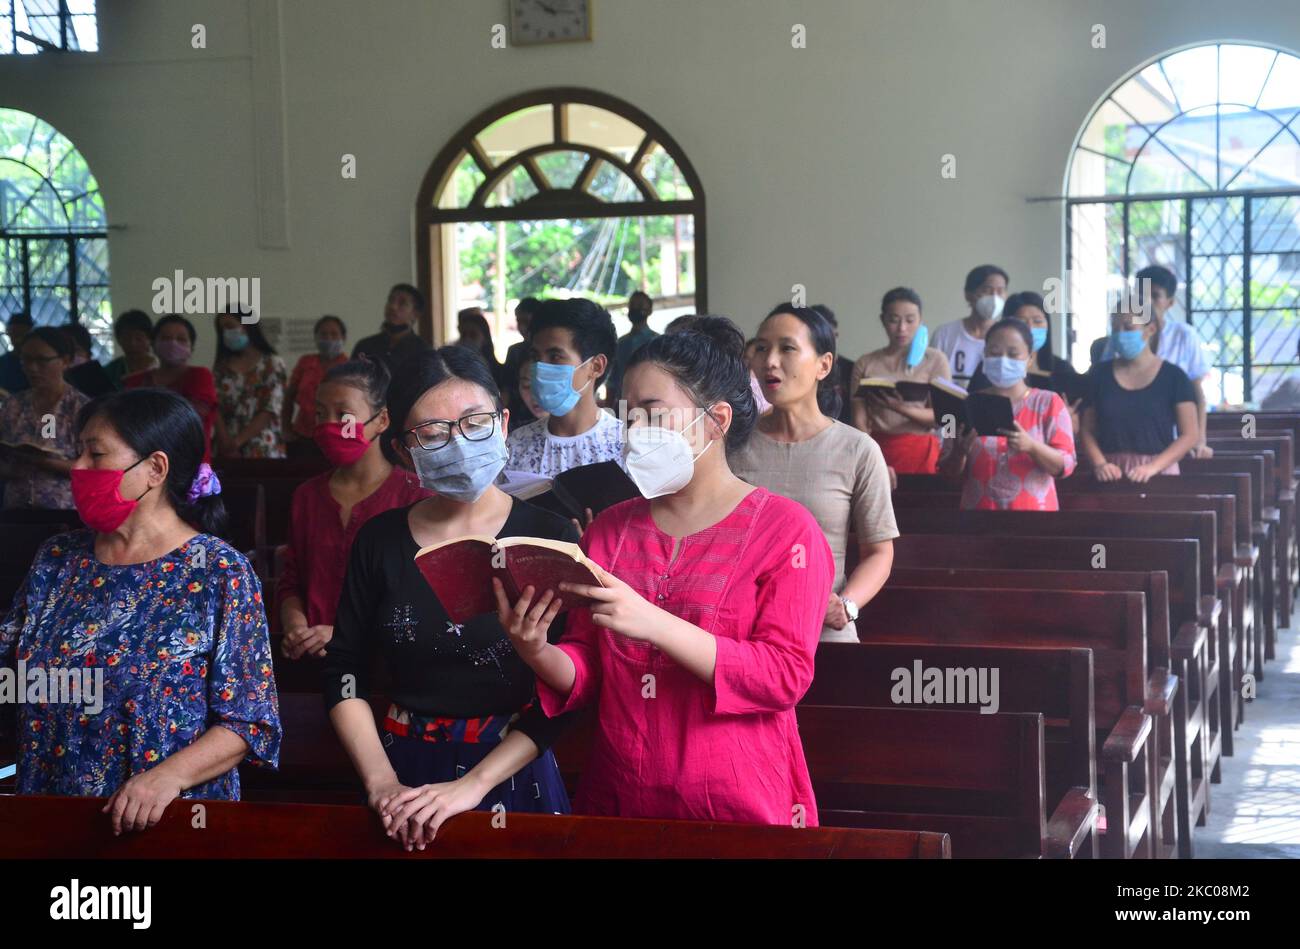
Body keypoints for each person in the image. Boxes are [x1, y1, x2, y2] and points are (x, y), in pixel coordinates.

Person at [502, 316, 834, 824]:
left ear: (716, 419)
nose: (635, 432)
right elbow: (588, 671)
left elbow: (783, 676)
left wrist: (654, 622)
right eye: (629, 416)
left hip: (738, 804)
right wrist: (537, 650)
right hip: (622, 797)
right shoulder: (608, 532)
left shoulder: (787, 531)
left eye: (653, 415)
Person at [324, 346, 577, 850]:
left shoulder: (547, 535)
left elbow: (567, 691)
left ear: (503, 424)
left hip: (510, 772)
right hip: (402, 775)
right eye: (434, 433)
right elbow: (344, 669)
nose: (459, 443)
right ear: (404, 450)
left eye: (475, 422)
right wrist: (382, 784)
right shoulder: (380, 540)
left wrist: (471, 787)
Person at [0, 388, 280, 823]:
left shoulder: (219, 571)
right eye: (78, 453)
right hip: (51, 810)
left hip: (164, 820)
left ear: (155, 468)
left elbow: (249, 721)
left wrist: (165, 779)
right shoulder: (56, 559)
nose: (77, 468)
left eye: (95, 454)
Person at [733, 305, 896, 643]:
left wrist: (847, 606)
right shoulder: (731, 446)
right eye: (761, 348)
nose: (769, 361)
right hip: (742, 627)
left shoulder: (858, 450)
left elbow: (879, 552)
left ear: (824, 365)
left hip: (821, 626)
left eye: (787, 348)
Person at [278, 358, 428, 660]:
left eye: (343, 415)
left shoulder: (416, 496)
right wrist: (295, 627)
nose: (329, 425)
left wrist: (344, 634)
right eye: (321, 414)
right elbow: (291, 581)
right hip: (312, 662)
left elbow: (419, 597)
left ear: (382, 420)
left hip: (388, 663)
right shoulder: (306, 496)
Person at [939, 317, 1077, 509]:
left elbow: (1066, 464)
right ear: (984, 356)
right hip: (977, 519)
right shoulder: (965, 404)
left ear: (1030, 359)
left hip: (1035, 518)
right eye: (994, 353)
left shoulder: (1049, 403)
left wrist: (1031, 446)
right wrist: (959, 452)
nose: (1003, 360)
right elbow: (946, 474)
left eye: (1013, 354)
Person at [1090, 265, 1214, 459]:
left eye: (1155, 295)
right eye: (1141, 293)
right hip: (1119, 442)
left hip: (1169, 442)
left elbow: (1196, 391)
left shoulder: (1184, 336)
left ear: (1170, 302)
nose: (1147, 300)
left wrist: (1200, 438)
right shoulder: (1119, 338)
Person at [1080, 300, 1199, 482]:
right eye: (1115, 328)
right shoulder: (1098, 375)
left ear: (1150, 329)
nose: (1120, 334)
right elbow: (1087, 429)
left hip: (1159, 472)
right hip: (1109, 474)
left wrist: (1153, 467)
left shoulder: (1174, 377)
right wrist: (1100, 464)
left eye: (1128, 327)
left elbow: (1190, 435)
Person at [505, 298, 623, 479]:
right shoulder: (515, 447)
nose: (540, 369)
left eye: (555, 357)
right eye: (536, 357)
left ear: (596, 366)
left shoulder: (623, 447)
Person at [850, 287, 951, 474]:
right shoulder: (866, 362)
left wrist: (899, 407)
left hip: (921, 450)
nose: (902, 328)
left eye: (910, 320)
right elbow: (859, 420)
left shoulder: (935, 360)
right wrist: (871, 457)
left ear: (920, 320)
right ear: (883, 320)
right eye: (893, 320)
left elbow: (943, 416)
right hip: (877, 448)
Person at [969, 291, 1085, 432]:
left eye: (1037, 321)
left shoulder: (1063, 369)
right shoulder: (993, 368)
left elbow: (1078, 427)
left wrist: (1069, 422)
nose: (1030, 328)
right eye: (1022, 322)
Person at [0, 328, 89, 511]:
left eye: (42, 360)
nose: (32, 368)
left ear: (65, 361)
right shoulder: (13, 405)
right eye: (26, 360)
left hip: (66, 511)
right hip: (16, 508)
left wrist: (45, 462)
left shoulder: (81, 408)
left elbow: (93, 467)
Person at [124, 315, 218, 462]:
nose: (173, 344)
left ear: (191, 346)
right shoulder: (134, 381)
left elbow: (189, 420)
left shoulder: (200, 376)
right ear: (153, 344)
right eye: (165, 338)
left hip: (191, 466)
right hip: (145, 465)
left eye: (181, 339)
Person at [213, 312, 287, 459]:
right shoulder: (221, 367)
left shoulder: (272, 364)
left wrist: (236, 443)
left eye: (230, 326)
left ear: (247, 326)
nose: (226, 333)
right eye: (222, 329)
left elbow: (269, 408)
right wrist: (226, 443)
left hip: (263, 448)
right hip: (225, 449)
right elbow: (215, 407)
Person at [930, 264, 1009, 387]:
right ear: (968, 294)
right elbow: (932, 377)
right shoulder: (945, 334)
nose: (994, 297)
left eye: (1000, 291)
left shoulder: (1007, 337)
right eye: (987, 290)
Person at [283, 315, 349, 459]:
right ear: (316, 337)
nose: (329, 339)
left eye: (334, 334)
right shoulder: (306, 362)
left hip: (337, 437)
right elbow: (289, 396)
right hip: (303, 435)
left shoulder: (349, 365)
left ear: (343, 337)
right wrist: (286, 429)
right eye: (323, 334)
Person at [351, 283, 432, 376]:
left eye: (402, 303)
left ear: (415, 314)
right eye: (391, 300)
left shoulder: (423, 352)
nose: (393, 306)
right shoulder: (365, 346)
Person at [606, 291, 658, 405]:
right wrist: (608, 408)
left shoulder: (658, 342)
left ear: (649, 310)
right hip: (623, 404)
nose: (635, 308)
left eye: (640, 305)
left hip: (650, 403)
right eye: (632, 305)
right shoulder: (620, 343)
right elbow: (612, 381)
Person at [809, 303, 856, 425]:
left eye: (831, 336)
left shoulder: (852, 369)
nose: (828, 341)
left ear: (836, 335)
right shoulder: (805, 368)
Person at [501, 297, 541, 425]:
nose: (522, 327)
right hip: (517, 412)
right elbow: (506, 386)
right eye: (519, 321)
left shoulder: (545, 352)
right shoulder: (514, 351)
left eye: (527, 322)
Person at [104, 310, 157, 389]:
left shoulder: (160, 368)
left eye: (139, 338)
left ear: (150, 339)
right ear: (119, 340)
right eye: (126, 338)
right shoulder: (110, 371)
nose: (133, 343)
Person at [456, 307, 504, 388]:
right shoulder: (454, 369)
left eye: (473, 335)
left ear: (485, 338)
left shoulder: (500, 372)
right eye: (463, 335)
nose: (467, 339)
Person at [0, 311, 33, 392]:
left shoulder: (38, 361)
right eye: (15, 334)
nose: (18, 340)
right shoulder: (2, 362)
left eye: (22, 334)